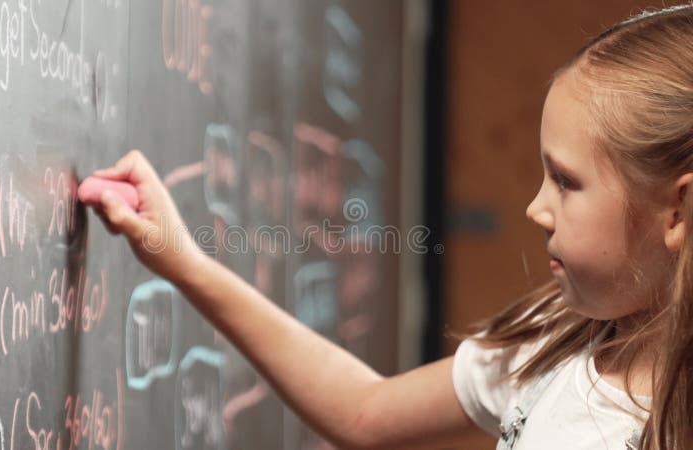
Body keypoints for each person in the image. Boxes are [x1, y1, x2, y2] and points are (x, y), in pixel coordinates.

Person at [84, 4, 693, 449]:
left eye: (565, 181)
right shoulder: (557, 346)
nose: (536, 207)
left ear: (677, 212)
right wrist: (184, 261)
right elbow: (364, 411)